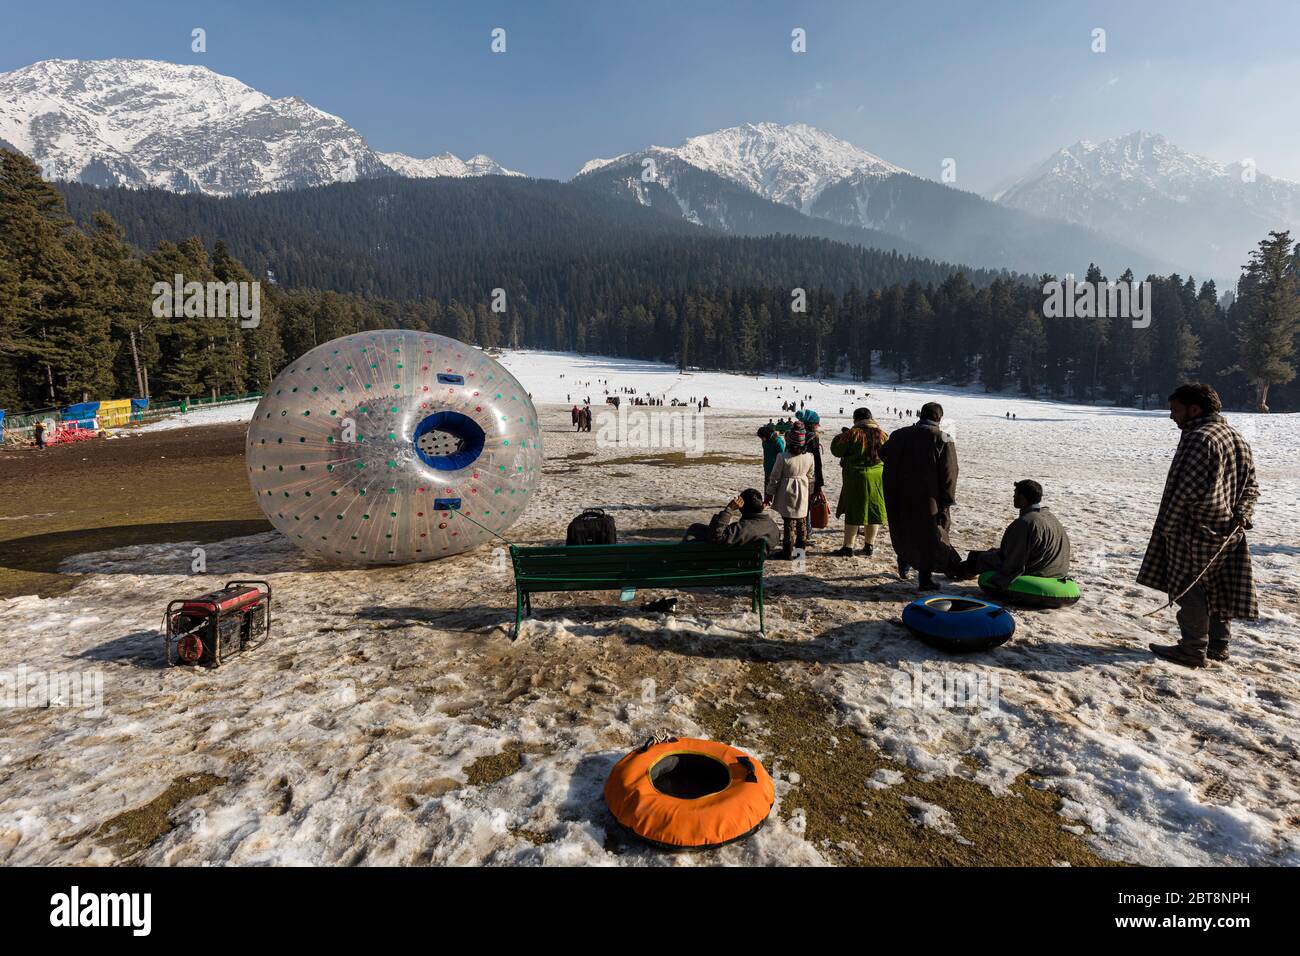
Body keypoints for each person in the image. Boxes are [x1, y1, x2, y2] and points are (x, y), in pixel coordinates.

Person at [1138, 383, 1259, 668]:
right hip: (1228, 530)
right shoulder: (1237, 437)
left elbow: (1187, 491)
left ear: (1195, 410)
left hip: (1191, 530)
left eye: (1175, 411)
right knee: (1217, 587)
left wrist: (1167, 530)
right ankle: (1218, 646)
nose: (1172, 417)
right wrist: (1242, 514)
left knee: (1189, 589)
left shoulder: (1198, 438)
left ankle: (1192, 649)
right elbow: (1251, 486)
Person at [880, 401, 963, 590]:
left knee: (906, 529)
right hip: (929, 498)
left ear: (920, 415)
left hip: (899, 494)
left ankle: (904, 560)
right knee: (930, 536)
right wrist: (947, 501)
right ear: (939, 418)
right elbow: (950, 472)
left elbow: (883, 454)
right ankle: (925, 580)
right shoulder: (943, 438)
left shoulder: (899, 434)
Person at [958, 480, 1071, 587]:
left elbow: (1013, 563)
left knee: (978, 558)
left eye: (1015, 494)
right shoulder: (1049, 516)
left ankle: (958, 571)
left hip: (1036, 571)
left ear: (1022, 498)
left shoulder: (1025, 523)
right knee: (991, 553)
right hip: (1054, 570)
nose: (1013, 497)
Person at [830, 408, 888, 557]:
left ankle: (848, 547)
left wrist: (842, 435)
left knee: (854, 510)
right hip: (877, 477)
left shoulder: (852, 434)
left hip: (856, 477)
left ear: (856, 419)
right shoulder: (882, 434)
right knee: (873, 510)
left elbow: (836, 450)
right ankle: (869, 546)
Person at [765, 419, 815, 560]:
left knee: (789, 523)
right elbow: (811, 477)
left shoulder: (783, 457)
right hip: (803, 490)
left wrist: (769, 494)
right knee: (802, 522)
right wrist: (810, 492)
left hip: (787, 491)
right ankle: (800, 553)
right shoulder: (809, 457)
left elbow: (774, 477)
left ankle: (787, 552)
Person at [682, 489, 781, 554]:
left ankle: (683, 558)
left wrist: (729, 509)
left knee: (695, 530)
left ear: (742, 508)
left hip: (727, 564)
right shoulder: (774, 529)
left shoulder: (743, 529)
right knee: (698, 528)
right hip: (750, 564)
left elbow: (716, 536)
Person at [796, 410, 825, 549]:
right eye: (816, 423)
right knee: (806, 506)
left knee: (797, 506)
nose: (818, 425)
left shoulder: (794, 435)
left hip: (795, 474)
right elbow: (817, 462)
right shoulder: (812, 437)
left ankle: (798, 533)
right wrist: (819, 482)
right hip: (809, 477)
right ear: (812, 424)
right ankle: (805, 534)